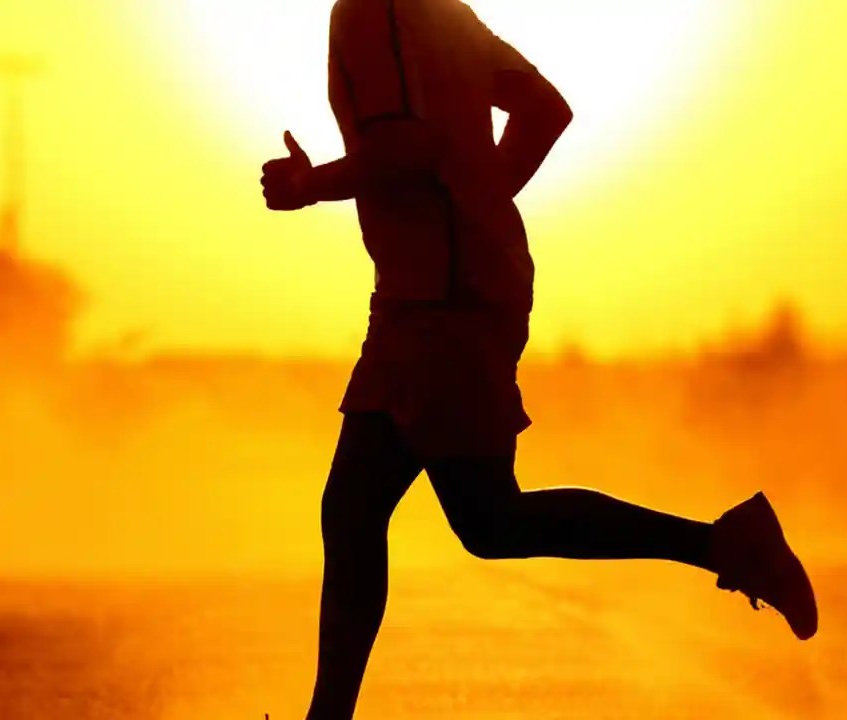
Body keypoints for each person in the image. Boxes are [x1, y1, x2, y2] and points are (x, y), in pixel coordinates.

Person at [259, 1, 818, 717]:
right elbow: (545, 110)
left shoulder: (374, 12)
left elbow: (409, 147)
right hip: (424, 293)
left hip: (446, 299)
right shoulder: (441, 14)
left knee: (485, 521)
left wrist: (311, 186)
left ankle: (728, 546)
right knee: (358, 509)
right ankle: (327, 716)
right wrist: (481, 199)